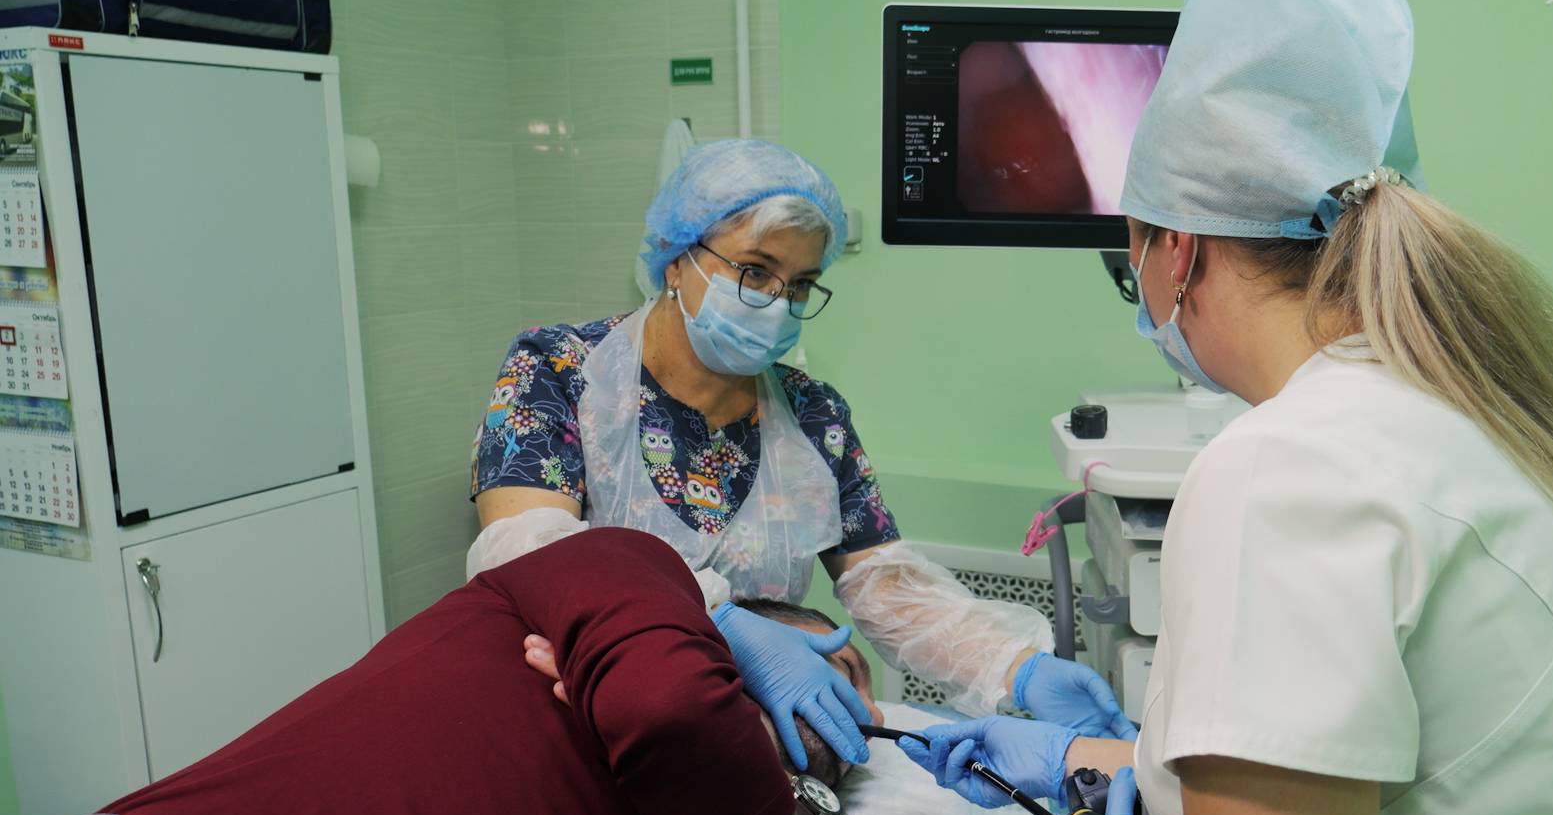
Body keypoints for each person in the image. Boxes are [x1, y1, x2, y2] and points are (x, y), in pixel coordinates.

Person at [900, 0, 1553, 815]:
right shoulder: (1467, 405)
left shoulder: (1284, 475)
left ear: (1179, 250)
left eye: (1131, 254)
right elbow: (1373, 765)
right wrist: (1093, 761)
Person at [0, 529, 1024, 815]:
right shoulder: (616, 577)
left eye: (858, 722)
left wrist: (802, 806)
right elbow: (674, 713)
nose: (850, 724)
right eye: (838, 675)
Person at [469, 139, 1133, 776]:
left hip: (738, 726)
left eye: (801, 285)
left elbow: (885, 587)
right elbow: (528, 548)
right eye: (756, 271)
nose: (778, 304)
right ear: (677, 259)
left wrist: (1015, 665)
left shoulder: (815, 416)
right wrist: (714, 620)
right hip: (574, 709)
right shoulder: (559, 372)